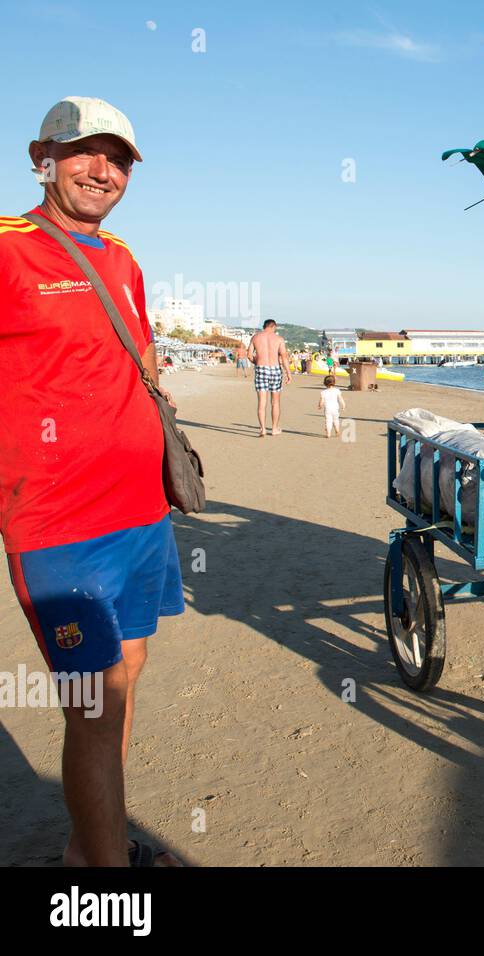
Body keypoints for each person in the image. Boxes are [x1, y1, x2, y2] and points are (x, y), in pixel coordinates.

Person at [1, 96, 184, 866]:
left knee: (125, 682)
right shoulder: (7, 249)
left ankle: (89, 848)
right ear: (42, 156)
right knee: (96, 703)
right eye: (83, 152)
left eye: (117, 159)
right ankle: (106, 884)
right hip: (57, 524)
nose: (101, 170)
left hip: (141, 511)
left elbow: (136, 355)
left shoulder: (123, 259)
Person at [249, 318, 293, 436]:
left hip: (261, 368)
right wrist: (288, 373)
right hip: (275, 369)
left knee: (262, 402)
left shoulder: (255, 337)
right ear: (273, 326)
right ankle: (274, 429)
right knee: (275, 402)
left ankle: (263, 429)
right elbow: (284, 357)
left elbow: (249, 355)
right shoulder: (279, 339)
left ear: (264, 326)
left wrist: (257, 363)